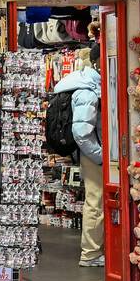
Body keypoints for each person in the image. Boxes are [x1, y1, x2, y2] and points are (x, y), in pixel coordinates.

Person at [53, 44, 104, 268]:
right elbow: (81, 132)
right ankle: (91, 253)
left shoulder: (91, 84)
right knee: (96, 202)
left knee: (98, 201)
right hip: (95, 155)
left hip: (95, 152)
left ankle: (96, 250)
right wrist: (101, 156)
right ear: (98, 62)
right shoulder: (88, 89)